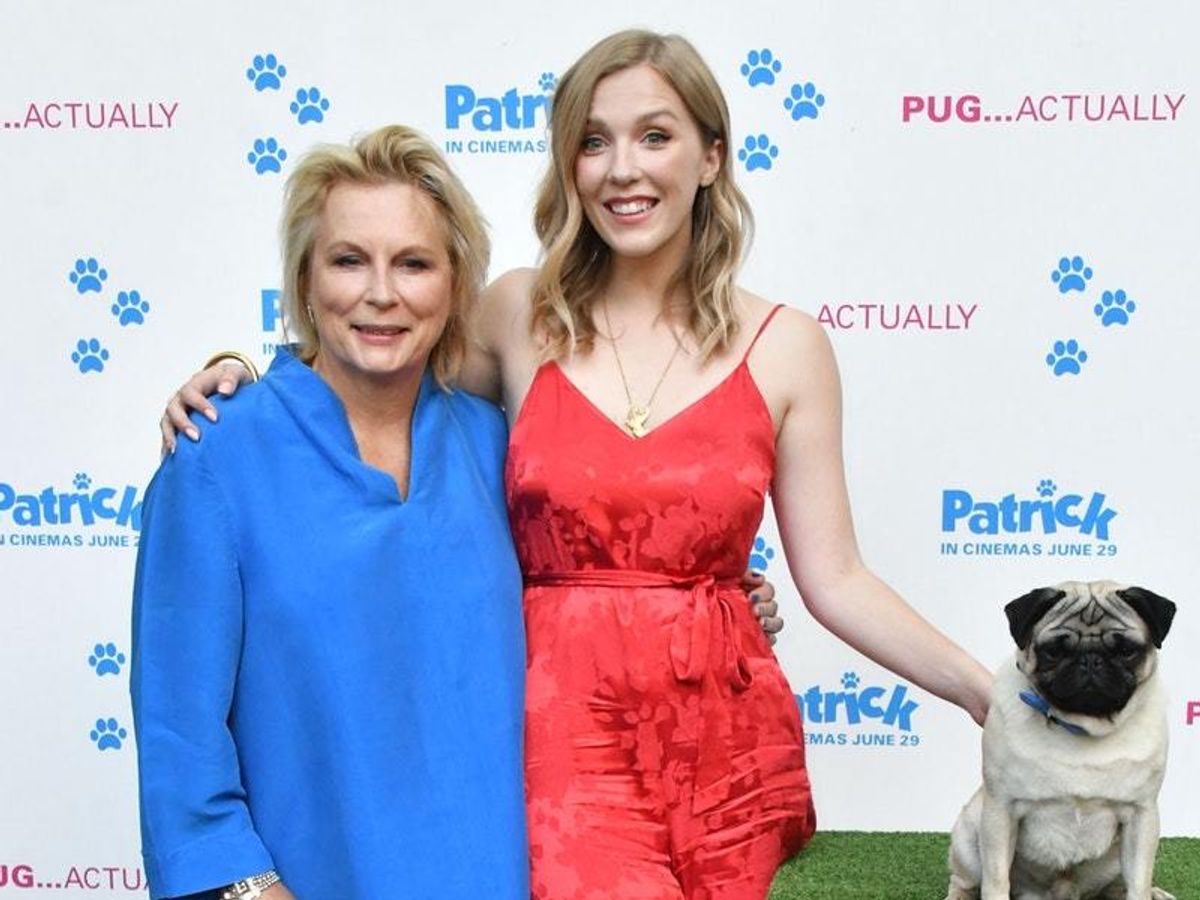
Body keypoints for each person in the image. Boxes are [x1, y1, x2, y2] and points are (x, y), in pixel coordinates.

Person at [161, 30, 991, 900]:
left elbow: (840, 577)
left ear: (712, 156)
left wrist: (985, 691)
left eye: (655, 135)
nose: (623, 169)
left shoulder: (788, 347)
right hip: (569, 736)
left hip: (729, 740)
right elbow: (376, 353)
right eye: (594, 141)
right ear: (568, 164)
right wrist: (238, 385)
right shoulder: (516, 314)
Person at [131, 126, 531, 900]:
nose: (381, 292)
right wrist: (250, 889)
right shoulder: (217, 455)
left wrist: (720, 599)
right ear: (305, 281)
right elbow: (180, 741)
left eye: (413, 263)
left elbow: (592, 606)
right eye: (349, 260)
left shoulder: (496, 446)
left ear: (455, 285)